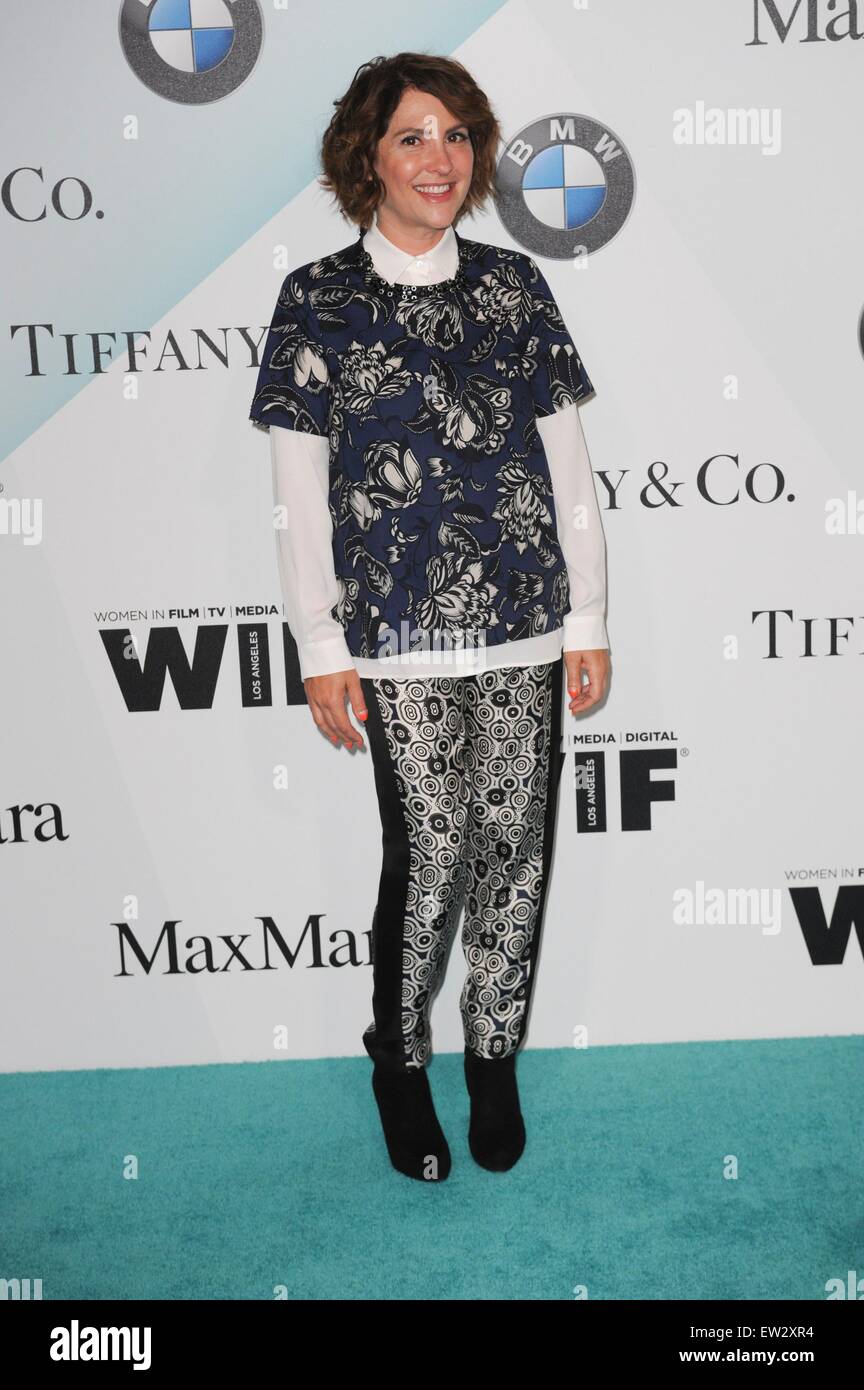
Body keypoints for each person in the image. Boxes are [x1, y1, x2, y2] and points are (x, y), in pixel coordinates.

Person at [249, 53, 611, 1183]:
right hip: (395, 636)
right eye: (413, 136)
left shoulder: (513, 288)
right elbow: (299, 495)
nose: (439, 158)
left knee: (516, 848)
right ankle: (398, 1063)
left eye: (457, 136)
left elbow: (569, 468)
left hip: (521, 620)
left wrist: (587, 617)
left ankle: (491, 1056)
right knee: (437, 848)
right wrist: (319, 643)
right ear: (369, 157)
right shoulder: (317, 299)